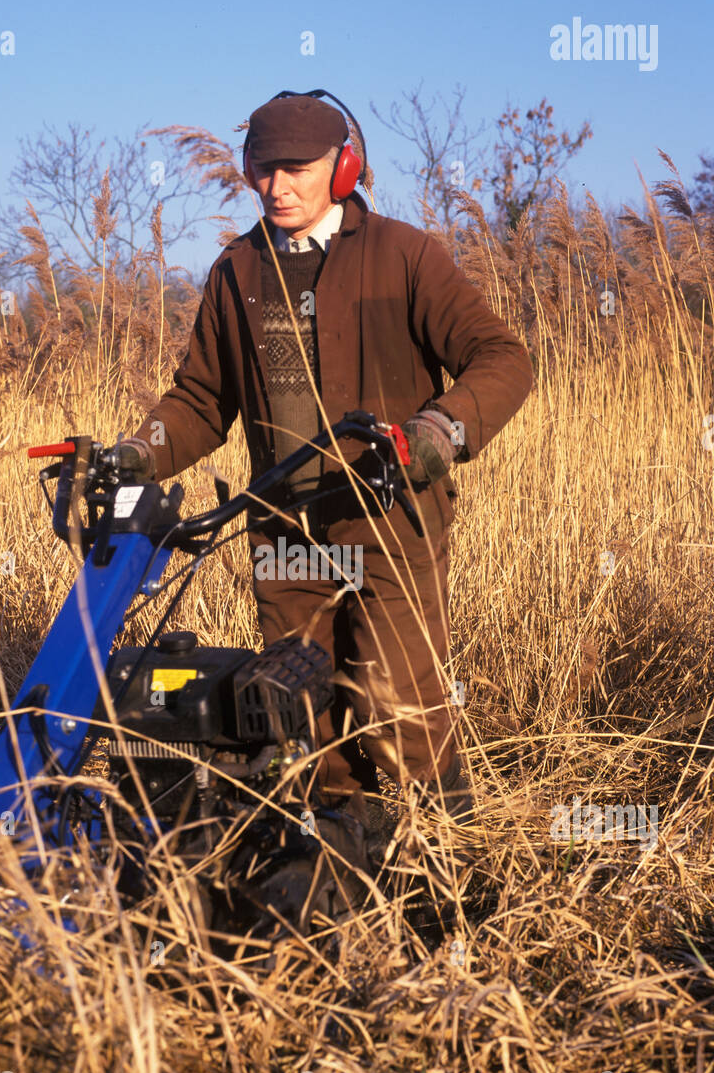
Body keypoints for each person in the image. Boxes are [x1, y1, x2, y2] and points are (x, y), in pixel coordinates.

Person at [120, 90, 533, 843]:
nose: (275, 187)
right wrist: (137, 452)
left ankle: (452, 851)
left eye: (295, 169)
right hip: (285, 529)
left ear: (344, 168)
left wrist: (440, 428)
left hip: (390, 521)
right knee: (294, 709)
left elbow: (502, 358)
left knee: (394, 699)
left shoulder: (404, 256)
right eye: (261, 170)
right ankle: (335, 853)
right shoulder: (236, 271)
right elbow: (201, 400)